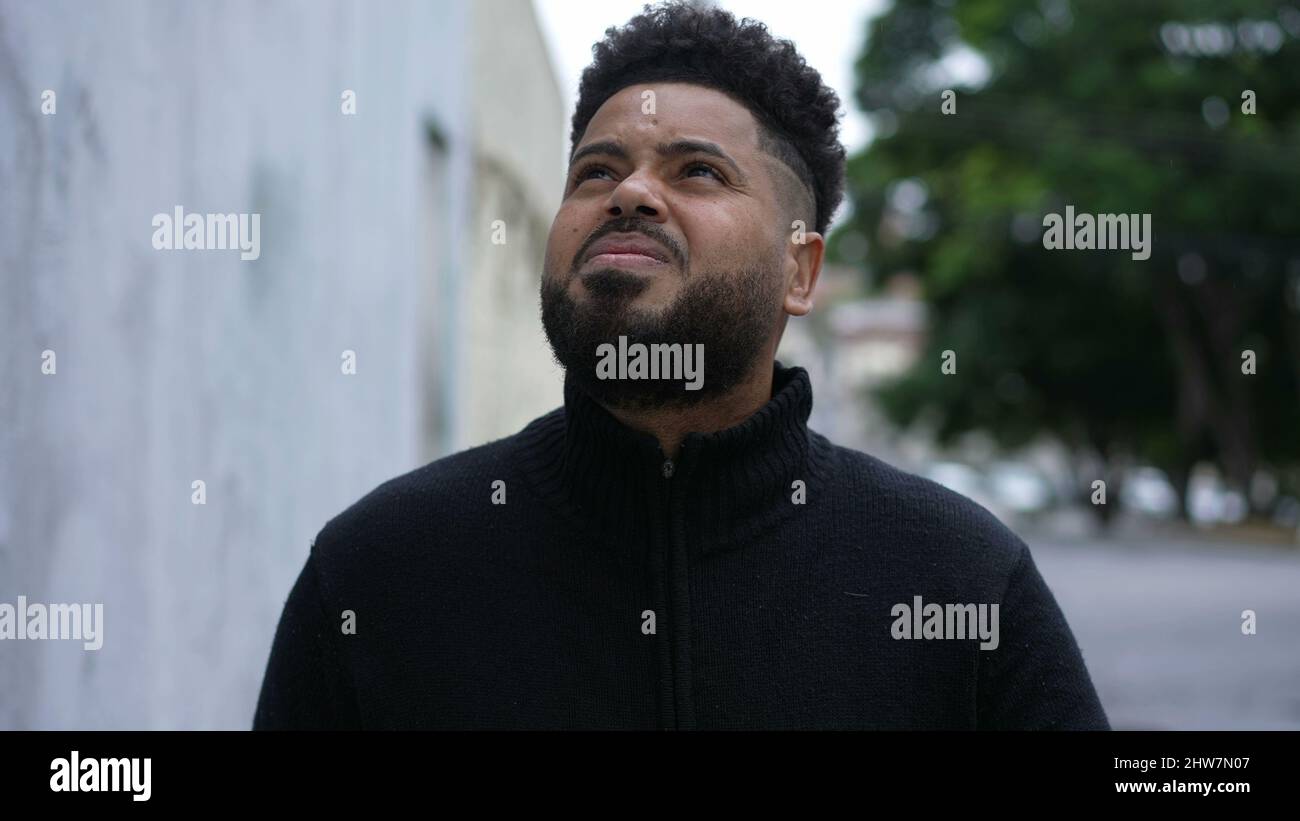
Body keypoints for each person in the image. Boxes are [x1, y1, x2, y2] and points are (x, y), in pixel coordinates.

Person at [253, 1, 1109, 730]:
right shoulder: (381, 570)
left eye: (697, 170)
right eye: (597, 170)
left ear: (799, 270)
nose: (629, 194)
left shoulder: (958, 579)